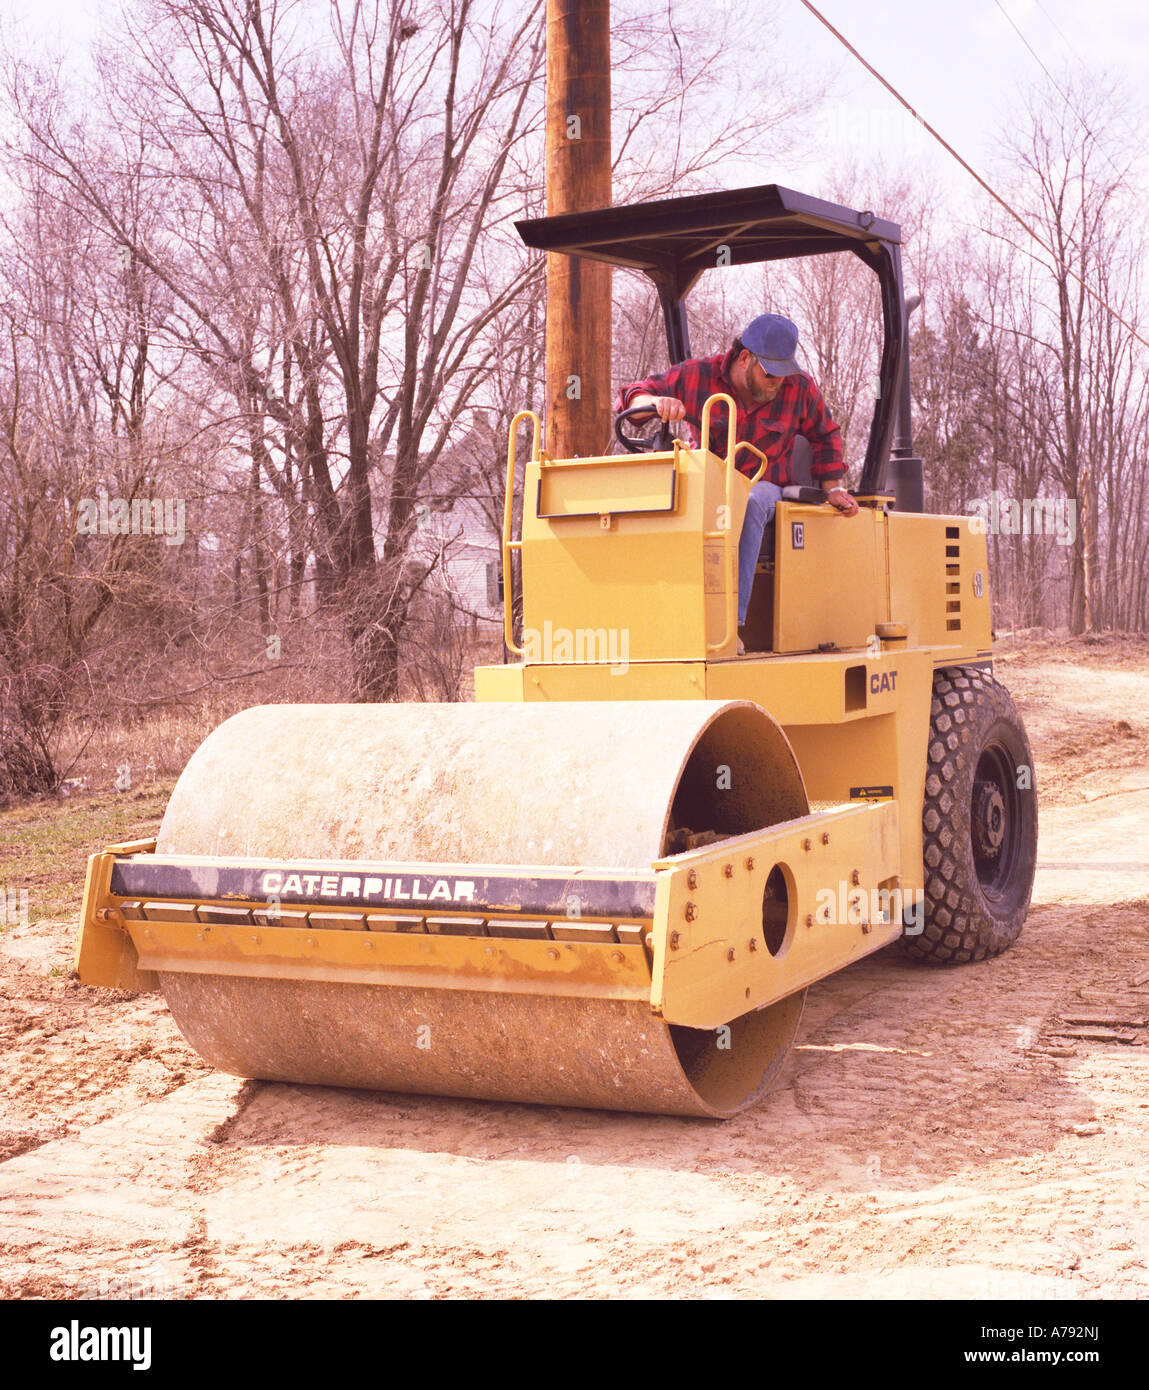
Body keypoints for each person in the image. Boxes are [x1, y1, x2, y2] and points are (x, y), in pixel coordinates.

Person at [617, 312, 859, 647]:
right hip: (710, 486)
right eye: (770, 372)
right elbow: (636, 395)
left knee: (749, 500)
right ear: (744, 357)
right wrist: (655, 402)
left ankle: (729, 628)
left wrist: (832, 488)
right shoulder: (699, 375)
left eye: (783, 373)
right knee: (664, 498)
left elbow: (826, 433)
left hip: (764, 487)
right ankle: (648, 623)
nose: (777, 381)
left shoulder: (798, 388)